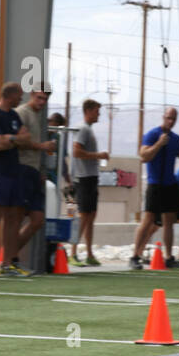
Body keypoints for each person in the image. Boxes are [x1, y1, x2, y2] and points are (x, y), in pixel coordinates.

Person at [0, 82, 33, 277]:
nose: (21, 99)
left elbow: (26, 138)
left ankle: (8, 263)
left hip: (13, 171)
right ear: (10, 95)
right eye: (19, 95)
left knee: (13, 217)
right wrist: (13, 139)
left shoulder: (14, 116)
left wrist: (9, 138)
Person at [130, 107, 179, 269]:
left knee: (169, 221)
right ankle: (135, 255)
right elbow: (144, 156)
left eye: (173, 119)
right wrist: (159, 144)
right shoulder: (152, 134)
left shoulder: (176, 139)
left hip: (170, 185)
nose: (171, 121)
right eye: (169, 118)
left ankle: (169, 257)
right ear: (164, 117)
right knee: (148, 220)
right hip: (155, 184)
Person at [15, 89, 57, 266]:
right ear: (32, 95)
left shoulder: (38, 117)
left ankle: (10, 253)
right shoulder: (22, 113)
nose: (42, 102)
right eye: (39, 98)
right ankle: (8, 258)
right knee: (14, 218)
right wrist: (42, 146)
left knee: (37, 219)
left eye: (45, 99)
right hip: (21, 168)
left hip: (33, 171)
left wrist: (41, 171)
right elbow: (18, 140)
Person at [71, 98, 109, 266]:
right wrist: (98, 156)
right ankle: (72, 253)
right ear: (88, 111)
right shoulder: (83, 129)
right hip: (84, 178)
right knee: (84, 216)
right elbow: (76, 152)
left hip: (91, 177)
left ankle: (89, 253)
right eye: (96, 111)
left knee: (91, 216)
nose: (99, 114)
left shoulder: (89, 130)